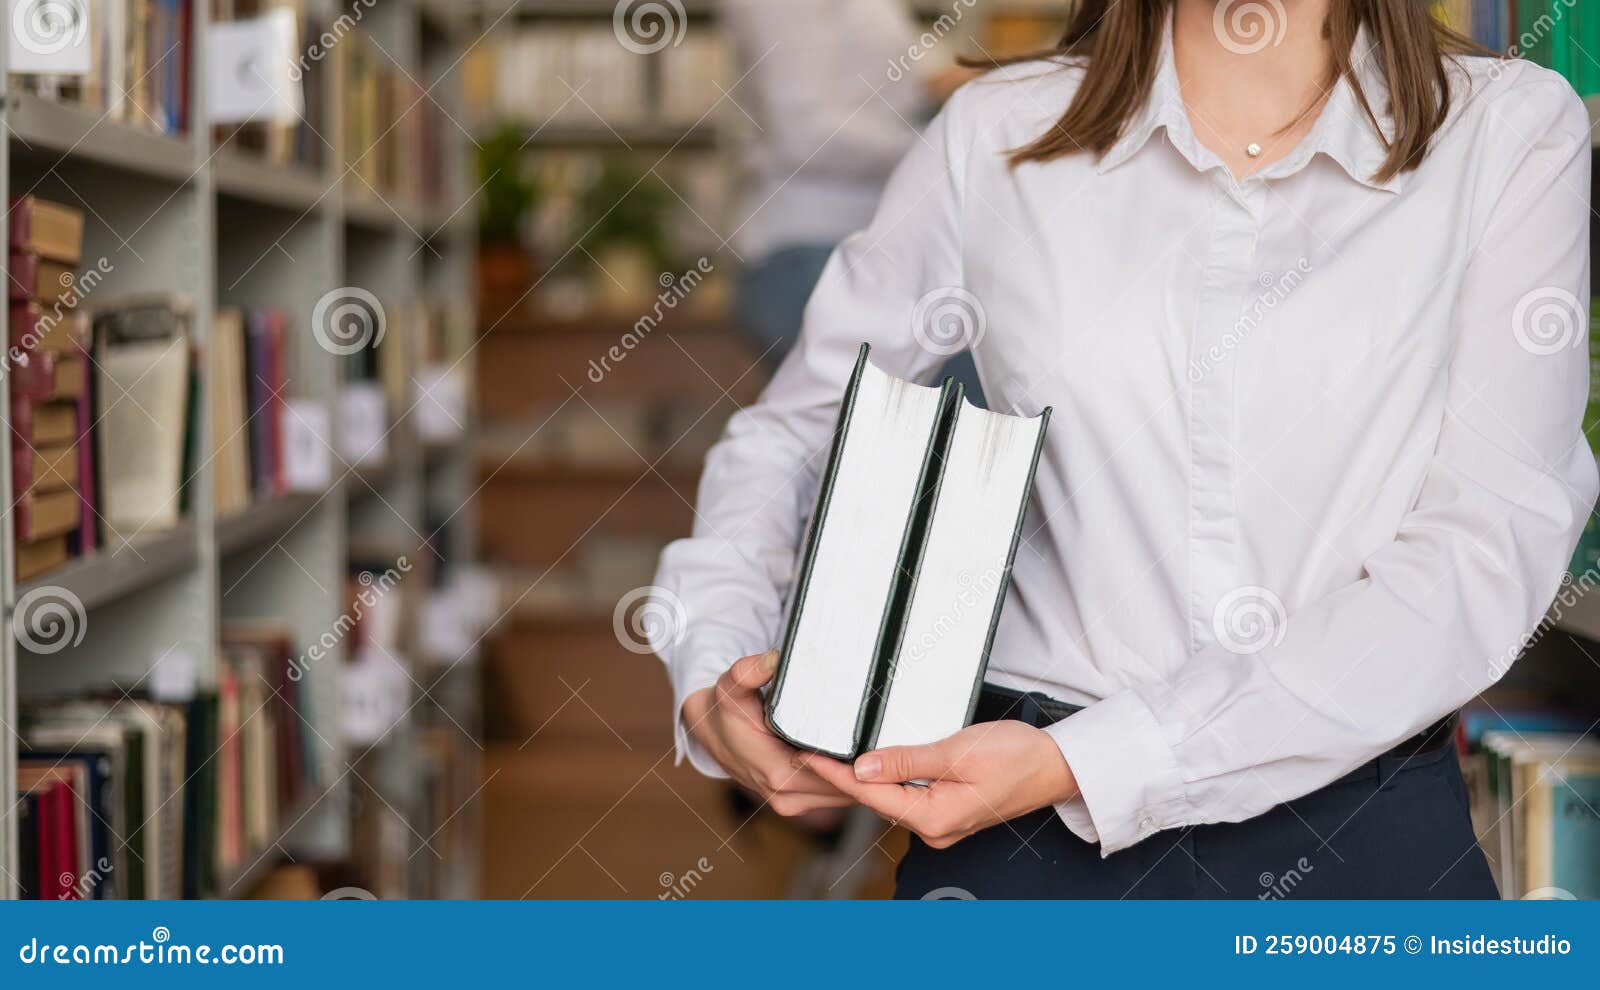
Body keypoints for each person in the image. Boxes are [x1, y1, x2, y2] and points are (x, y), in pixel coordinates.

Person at [656, 0, 1595, 898]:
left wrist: (1092, 764)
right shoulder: (996, 133)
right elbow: (796, 431)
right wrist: (713, 661)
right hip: (1021, 846)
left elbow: (1486, 544)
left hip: (1360, 834)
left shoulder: (1508, 132)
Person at [720, 0, 981, 396]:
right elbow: (804, 136)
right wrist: (942, 148)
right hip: (811, 252)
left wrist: (932, 90)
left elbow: (863, 92)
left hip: (858, 249)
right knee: (946, 407)